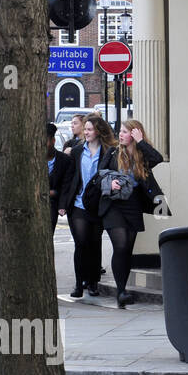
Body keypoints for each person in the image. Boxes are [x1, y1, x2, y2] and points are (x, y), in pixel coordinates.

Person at [98, 119, 164, 308]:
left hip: (133, 204)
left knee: (127, 249)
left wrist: (141, 142)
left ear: (135, 135)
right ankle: (121, 291)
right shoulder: (112, 152)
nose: (121, 134)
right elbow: (100, 172)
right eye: (120, 131)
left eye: (126, 132)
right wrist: (109, 184)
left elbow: (157, 158)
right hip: (113, 204)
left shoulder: (141, 154)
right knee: (120, 246)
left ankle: (123, 288)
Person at [60, 114, 115, 298]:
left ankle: (92, 283)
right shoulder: (76, 151)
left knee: (94, 243)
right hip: (78, 204)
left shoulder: (108, 151)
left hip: (98, 205)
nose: (86, 132)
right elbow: (69, 179)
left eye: (90, 129)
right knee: (81, 243)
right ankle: (78, 284)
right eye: (85, 129)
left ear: (99, 131)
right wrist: (63, 203)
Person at [47, 122, 73, 236]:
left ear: (53, 141)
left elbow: (66, 185)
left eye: (45, 141)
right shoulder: (32, 159)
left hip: (53, 204)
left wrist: (62, 205)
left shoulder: (64, 160)